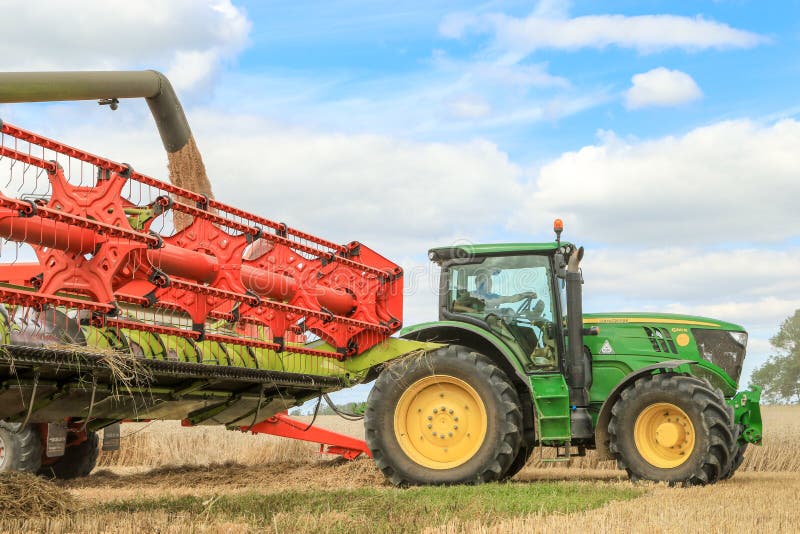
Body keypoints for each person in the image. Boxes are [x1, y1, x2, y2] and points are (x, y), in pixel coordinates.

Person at [453, 271, 536, 313]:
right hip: (477, 325)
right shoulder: (470, 295)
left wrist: (526, 294)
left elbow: (511, 299)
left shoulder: (493, 297)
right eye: (485, 282)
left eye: (490, 282)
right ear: (477, 283)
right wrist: (469, 310)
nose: (489, 284)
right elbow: (454, 306)